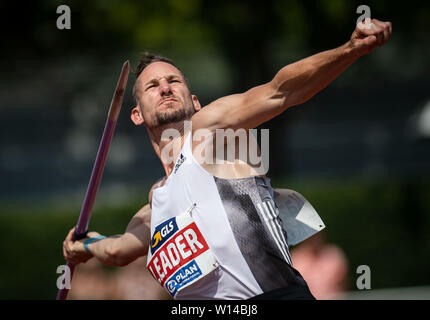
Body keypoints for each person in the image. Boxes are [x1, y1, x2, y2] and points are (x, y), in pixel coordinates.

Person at [63, 18, 392, 300]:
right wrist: (85, 245)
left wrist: (350, 50)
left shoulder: (210, 132)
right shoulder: (156, 203)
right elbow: (119, 251)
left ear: (194, 102)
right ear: (136, 114)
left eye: (173, 81)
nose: (165, 88)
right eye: (152, 86)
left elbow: (282, 91)